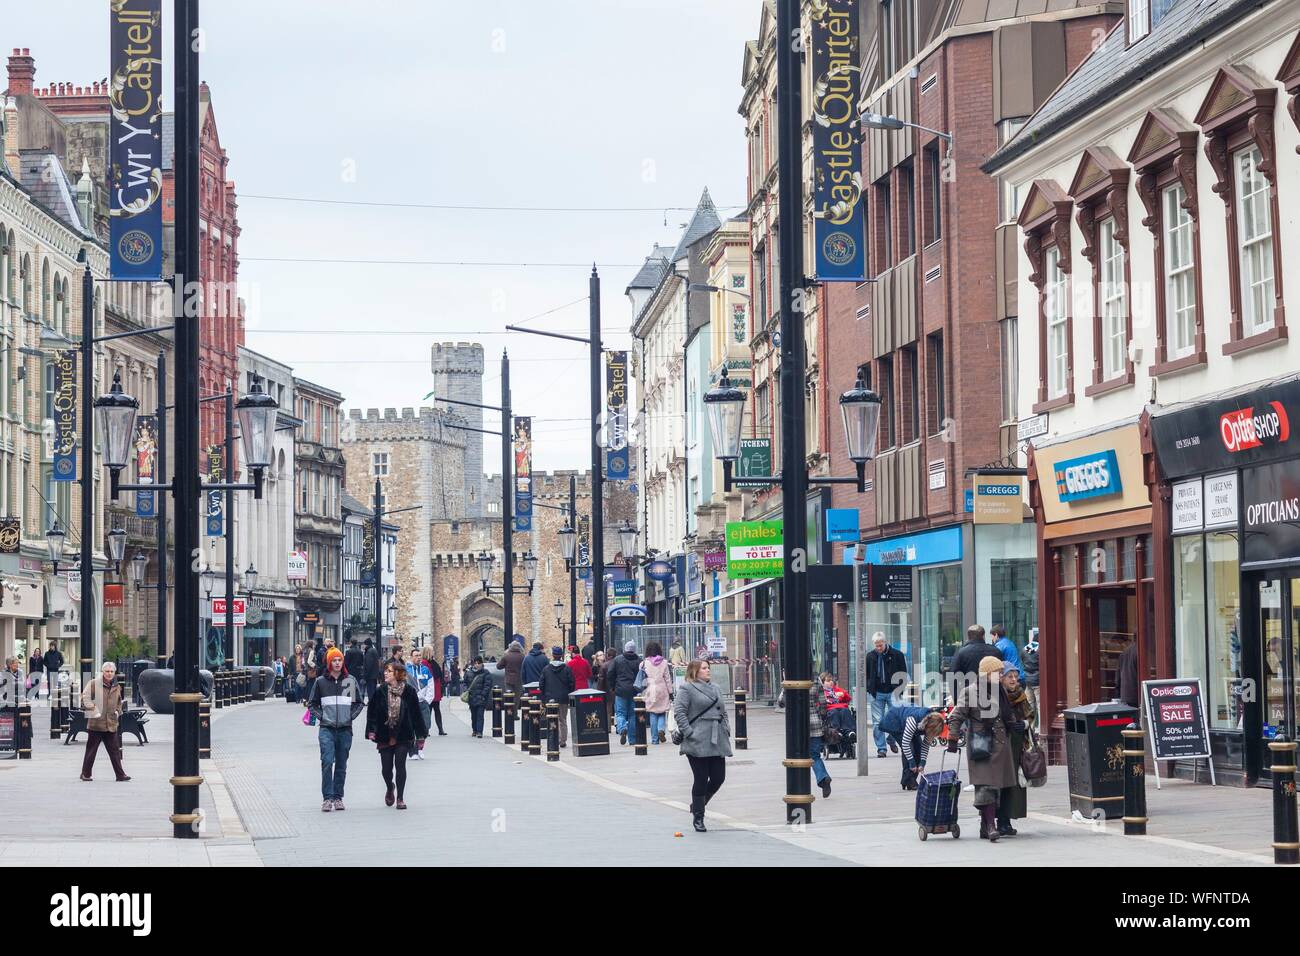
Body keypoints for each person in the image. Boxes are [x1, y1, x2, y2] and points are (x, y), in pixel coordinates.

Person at [946, 656, 1020, 842]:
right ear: (987, 674)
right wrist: (953, 739)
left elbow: (1006, 714)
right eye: (998, 672)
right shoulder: (971, 692)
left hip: (1001, 745)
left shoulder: (1000, 691)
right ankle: (991, 826)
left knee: (997, 787)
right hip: (982, 744)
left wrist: (1016, 724)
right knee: (986, 785)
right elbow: (957, 716)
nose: (1000, 675)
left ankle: (984, 827)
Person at [672, 660, 732, 832]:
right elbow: (679, 712)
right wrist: (689, 732)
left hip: (717, 738)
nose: (708, 670)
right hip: (697, 740)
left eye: (708, 668)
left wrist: (726, 727)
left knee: (718, 778)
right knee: (701, 778)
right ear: (695, 671)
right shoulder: (687, 689)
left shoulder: (715, 688)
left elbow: (723, 710)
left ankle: (698, 804)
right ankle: (699, 817)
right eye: (704, 668)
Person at [307, 647, 364, 811]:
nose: (337, 663)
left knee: (341, 764)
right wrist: (322, 717)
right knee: (326, 762)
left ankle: (338, 797)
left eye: (339, 660)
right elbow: (312, 704)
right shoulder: (321, 682)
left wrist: (350, 717)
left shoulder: (349, 681)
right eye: (334, 660)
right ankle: (327, 798)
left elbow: (358, 703)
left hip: (345, 729)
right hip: (327, 728)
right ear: (329, 662)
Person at [365, 661, 426, 809]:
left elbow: (416, 714)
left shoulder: (409, 691)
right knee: (386, 769)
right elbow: (372, 712)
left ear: (397, 674)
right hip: (385, 734)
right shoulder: (381, 691)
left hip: (404, 734)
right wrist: (371, 730)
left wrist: (420, 735)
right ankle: (389, 787)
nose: (385, 673)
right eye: (385, 671)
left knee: (400, 765)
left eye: (389, 671)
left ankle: (400, 798)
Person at [997, 664, 1035, 837]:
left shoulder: (1020, 695)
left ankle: (1007, 820)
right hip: (1000, 743)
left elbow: (1031, 715)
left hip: (1017, 744)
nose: (1013, 680)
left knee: (1013, 784)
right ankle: (995, 820)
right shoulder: (997, 695)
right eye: (1009, 676)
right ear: (1001, 678)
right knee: (1000, 782)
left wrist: (1025, 724)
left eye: (1015, 676)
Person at [79, 662, 130, 782]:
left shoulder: (117, 686)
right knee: (91, 750)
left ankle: (120, 775)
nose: (109, 673)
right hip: (96, 723)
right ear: (103, 672)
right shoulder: (94, 683)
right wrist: (93, 708)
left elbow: (119, 702)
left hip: (111, 723)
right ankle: (85, 774)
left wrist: (118, 712)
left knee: (115, 751)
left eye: (112, 671)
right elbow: (84, 698)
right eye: (107, 671)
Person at [881, 704, 945, 790]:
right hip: (894, 721)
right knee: (910, 749)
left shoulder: (931, 722)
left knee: (918, 749)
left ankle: (908, 780)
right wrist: (912, 763)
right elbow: (905, 744)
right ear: (929, 727)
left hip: (914, 725)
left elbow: (925, 745)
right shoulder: (913, 721)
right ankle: (910, 781)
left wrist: (922, 763)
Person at [863, 632, 907, 756]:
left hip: (893, 692)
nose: (878, 648)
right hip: (877, 692)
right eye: (876, 645)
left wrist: (900, 690)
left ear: (885, 642)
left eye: (880, 645)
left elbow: (903, 673)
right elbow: (866, 674)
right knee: (877, 722)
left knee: (895, 719)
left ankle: (891, 739)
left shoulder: (897, 655)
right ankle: (881, 748)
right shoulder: (870, 656)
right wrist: (869, 688)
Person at [948, 624, 1003, 702]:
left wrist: (957, 699)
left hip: (971, 697)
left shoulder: (961, 653)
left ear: (968, 636)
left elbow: (953, 677)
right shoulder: (996, 651)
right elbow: (1002, 674)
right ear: (983, 636)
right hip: (993, 695)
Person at [538, 646, 576, 747]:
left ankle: (553, 738)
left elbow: (541, 684)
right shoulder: (567, 668)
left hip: (550, 699)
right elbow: (572, 683)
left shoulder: (546, 669)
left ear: (553, 655)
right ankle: (562, 740)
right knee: (562, 719)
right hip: (563, 698)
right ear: (561, 656)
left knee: (552, 718)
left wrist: (545, 694)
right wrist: (568, 693)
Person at [639, 641, 674, 745]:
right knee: (662, 712)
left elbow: (641, 678)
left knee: (653, 713)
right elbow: (667, 678)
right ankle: (661, 730)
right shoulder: (664, 662)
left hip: (650, 689)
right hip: (662, 689)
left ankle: (655, 739)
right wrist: (671, 692)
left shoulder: (644, 663)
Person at [611, 641, 642, 745]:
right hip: (634, 690)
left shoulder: (618, 659)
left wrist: (613, 687)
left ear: (625, 649)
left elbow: (610, 674)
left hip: (621, 690)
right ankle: (632, 739)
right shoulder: (639, 661)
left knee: (620, 713)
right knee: (633, 715)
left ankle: (622, 728)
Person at [819, 672, 856, 750]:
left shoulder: (837, 690)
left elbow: (848, 699)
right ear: (822, 683)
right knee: (834, 712)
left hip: (842, 707)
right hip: (830, 709)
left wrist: (843, 694)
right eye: (828, 681)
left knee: (845, 711)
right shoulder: (822, 692)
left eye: (832, 680)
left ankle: (849, 732)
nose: (831, 682)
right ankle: (836, 732)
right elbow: (819, 704)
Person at [809, 686, 832, 798]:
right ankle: (823, 778)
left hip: (797, 726)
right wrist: (820, 715)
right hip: (815, 723)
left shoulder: (791, 678)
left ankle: (822, 778)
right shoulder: (815, 680)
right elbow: (823, 704)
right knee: (814, 755)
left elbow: (782, 701)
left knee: (796, 758)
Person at [464, 657, 494, 737]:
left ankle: (479, 731)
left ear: (481, 663)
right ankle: (474, 730)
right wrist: (467, 691)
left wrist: (483, 695)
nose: (477, 665)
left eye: (478, 663)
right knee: (473, 716)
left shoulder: (486, 673)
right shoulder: (469, 672)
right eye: (475, 663)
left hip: (481, 698)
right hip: (472, 697)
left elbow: (488, 685)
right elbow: (465, 683)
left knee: (480, 715)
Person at [1022, 630, 1040, 729]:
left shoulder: (1025, 649)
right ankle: (1042, 728)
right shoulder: (1041, 649)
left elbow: (1024, 661)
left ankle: (1030, 730)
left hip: (1028, 681)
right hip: (1038, 681)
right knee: (1040, 706)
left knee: (1030, 706)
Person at [1117, 633, 1140, 708]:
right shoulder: (1140, 651)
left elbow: (1118, 677)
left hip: (1126, 694)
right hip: (1137, 694)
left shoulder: (1125, 652)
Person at [362, 638, 380, 703]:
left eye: (364, 644)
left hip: (370, 676)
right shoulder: (374, 650)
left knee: (370, 691)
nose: (363, 646)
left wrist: (365, 676)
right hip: (374, 675)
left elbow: (368, 665)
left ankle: (372, 704)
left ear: (367, 644)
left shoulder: (369, 652)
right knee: (373, 691)